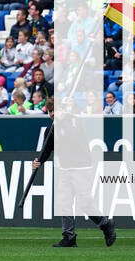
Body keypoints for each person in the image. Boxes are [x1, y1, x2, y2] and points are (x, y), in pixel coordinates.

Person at [31, 101, 116, 247]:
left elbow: (73, 138)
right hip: (65, 168)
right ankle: (69, 237)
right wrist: (39, 161)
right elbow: (47, 149)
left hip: (81, 168)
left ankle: (105, 224)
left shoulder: (73, 121)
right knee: (64, 203)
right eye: (49, 112)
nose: (51, 114)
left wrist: (61, 123)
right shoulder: (51, 129)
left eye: (54, 111)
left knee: (84, 203)